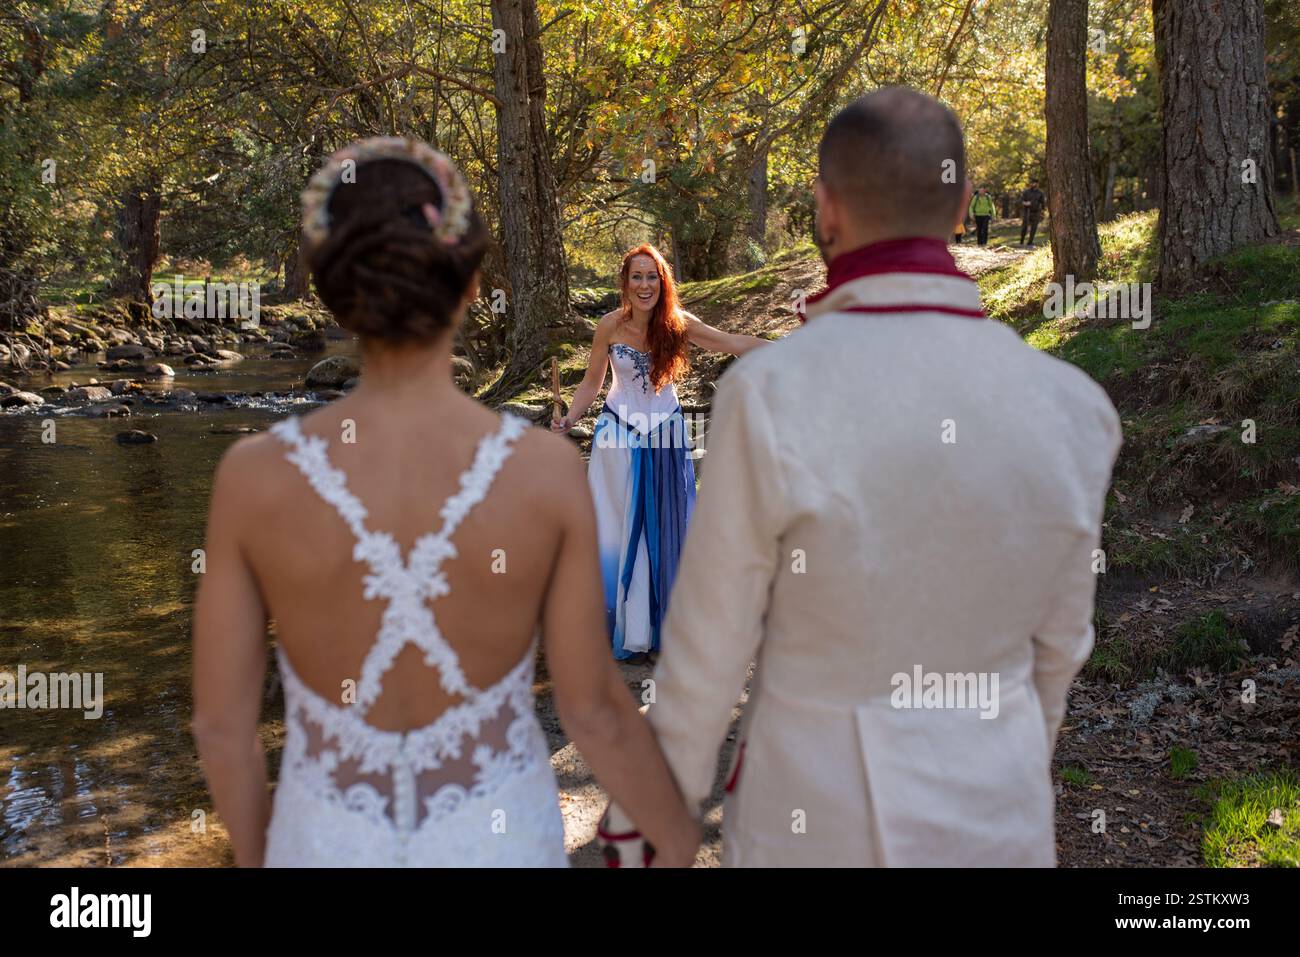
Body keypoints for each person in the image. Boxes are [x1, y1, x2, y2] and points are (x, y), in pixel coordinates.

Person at [607, 87, 1121, 866]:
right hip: (997, 815)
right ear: (964, 206)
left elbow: (711, 642)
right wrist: (1005, 754)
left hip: (812, 818)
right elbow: (1059, 649)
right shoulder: (1075, 410)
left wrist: (645, 821)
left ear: (825, 208)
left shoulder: (771, 393)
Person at [192, 137, 699, 867]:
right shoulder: (542, 471)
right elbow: (592, 709)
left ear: (329, 289)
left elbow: (220, 727)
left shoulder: (254, 477)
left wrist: (265, 852)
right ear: (470, 284)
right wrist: (678, 841)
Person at [551, 244, 768, 662]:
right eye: (637, 276)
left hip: (666, 434)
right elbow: (592, 383)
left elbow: (730, 343)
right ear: (625, 282)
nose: (644, 284)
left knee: (669, 528)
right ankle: (626, 630)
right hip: (618, 436)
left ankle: (662, 634)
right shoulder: (609, 326)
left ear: (663, 281)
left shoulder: (678, 324)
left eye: (652, 276)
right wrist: (570, 418)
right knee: (616, 530)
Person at [1020, 180, 1047, 246]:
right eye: (1031, 183)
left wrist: (1043, 211)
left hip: (1036, 212)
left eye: (1034, 183)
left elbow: (1043, 202)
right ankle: (1021, 241)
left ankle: (1030, 242)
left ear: (1037, 184)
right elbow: (1021, 200)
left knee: (1034, 228)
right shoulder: (1026, 192)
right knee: (1025, 227)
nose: (1033, 184)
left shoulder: (1040, 192)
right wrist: (1025, 203)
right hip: (1027, 212)